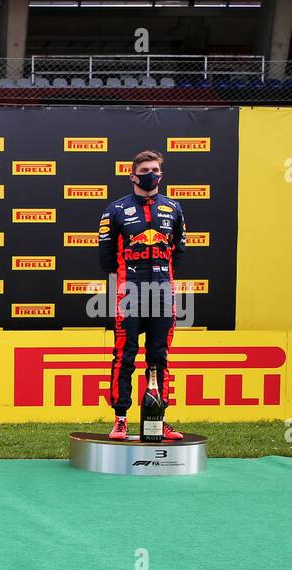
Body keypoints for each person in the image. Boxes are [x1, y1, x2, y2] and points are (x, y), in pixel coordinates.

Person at [98, 150, 186, 441]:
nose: (153, 174)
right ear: (133, 175)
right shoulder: (115, 211)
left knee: (159, 356)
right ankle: (120, 418)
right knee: (124, 355)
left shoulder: (173, 208)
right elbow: (107, 257)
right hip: (129, 292)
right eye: (146, 169)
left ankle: (157, 419)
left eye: (156, 169)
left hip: (163, 291)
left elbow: (180, 252)